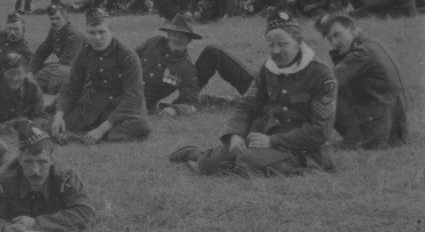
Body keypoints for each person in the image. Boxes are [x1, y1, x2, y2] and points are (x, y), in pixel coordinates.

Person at [169, 11, 337, 176]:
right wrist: (236, 134)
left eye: (282, 44)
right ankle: (199, 154)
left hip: (304, 149)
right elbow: (247, 106)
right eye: (271, 45)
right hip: (265, 137)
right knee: (209, 165)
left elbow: (319, 132)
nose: (276, 51)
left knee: (248, 161)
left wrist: (272, 141)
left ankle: (232, 159)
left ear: (298, 42)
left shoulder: (322, 76)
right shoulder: (268, 69)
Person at [0, 123, 96, 232]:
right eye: (28, 162)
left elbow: (86, 212)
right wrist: (2, 230)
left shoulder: (64, 176)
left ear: (52, 160)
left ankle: (2, 153)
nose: (35, 171)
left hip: (15, 170)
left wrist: (38, 223)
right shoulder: (0, 180)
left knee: (9, 167)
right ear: (21, 159)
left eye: (42, 162)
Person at [51, 8, 150, 144]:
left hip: (123, 109)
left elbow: (133, 98)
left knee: (136, 129)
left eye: (101, 32)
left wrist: (101, 129)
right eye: (92, 33)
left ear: (111, 32)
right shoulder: (84, 54)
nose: (97, 38)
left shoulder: (128, 57)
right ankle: (85, 133)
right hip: (95, 104)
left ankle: (85, 136)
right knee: (55, 126)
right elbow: (71, 88)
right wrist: (59, 114)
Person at [315, 13, 409, 148]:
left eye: (337, 35)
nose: (334, 43)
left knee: (323, 94)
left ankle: (352, 139)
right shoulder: (372, 44)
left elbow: (326, 83)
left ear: (352, 28)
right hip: (394, 126)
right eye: (330, 39)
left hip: (381, 131)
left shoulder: (361, 53)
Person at [135, 14, 201, 117]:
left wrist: (174, 110)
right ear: (168, 34)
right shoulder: (154, 42)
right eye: (175, 33)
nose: (178, 38)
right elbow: (130, 60)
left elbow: (192, 104)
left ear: (190, 40)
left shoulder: (187, 68)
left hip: (142, 107)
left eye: (183, 35)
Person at [0, 53, 46, 135]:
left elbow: (41, 116)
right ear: (2, 73)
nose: (15, 78)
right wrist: (2, 128)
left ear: (25, 73)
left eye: (19, 73)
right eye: (10, 73)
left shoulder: (32, 87)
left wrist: (32, 126)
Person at [29, 4, 85, 96]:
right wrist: (30, 72)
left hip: (78, 71)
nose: (54, 22)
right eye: (51, 19)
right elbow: (41, 53)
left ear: (66, 19)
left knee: (52, 84)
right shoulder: (54, 32)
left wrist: (52, 87)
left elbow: (66, 64)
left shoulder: (74, 36)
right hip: (62, 66)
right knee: (33, 83)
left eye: (57, 18)